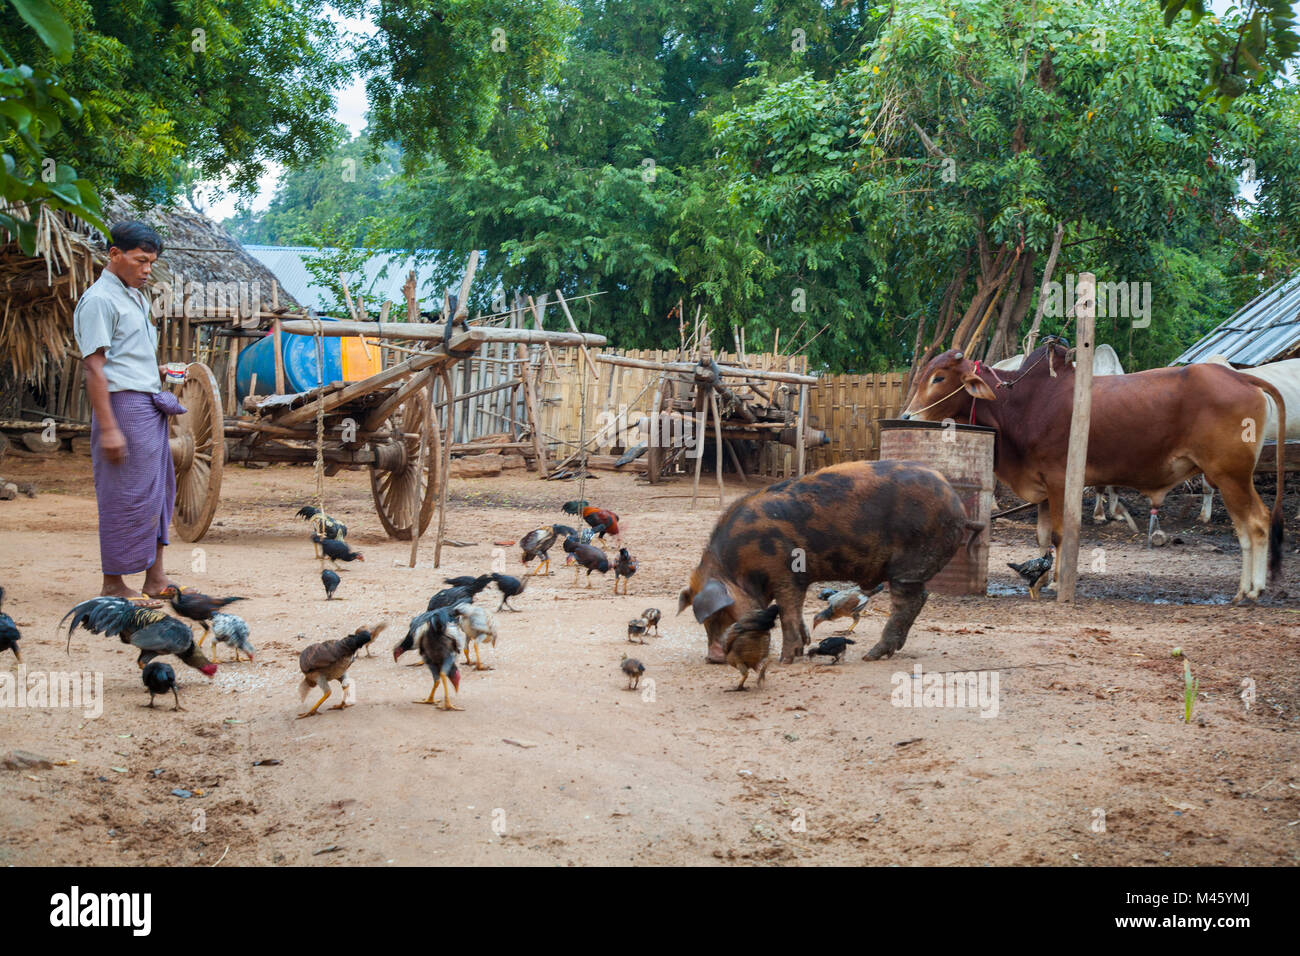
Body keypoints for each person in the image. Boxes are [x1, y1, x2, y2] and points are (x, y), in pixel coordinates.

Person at [73, 221, 185, 603]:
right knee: (124, 495)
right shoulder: (99, 300)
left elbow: (126, 358)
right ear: (115, 254)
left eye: (151, 262)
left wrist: (157, 373)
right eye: (140, 260)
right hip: (122, 409)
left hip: (147, 406)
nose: (147, 269)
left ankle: (155, 579)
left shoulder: (135, 297)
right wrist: (108, 428)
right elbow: (95, 367)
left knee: (158, 493)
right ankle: (113, 583)